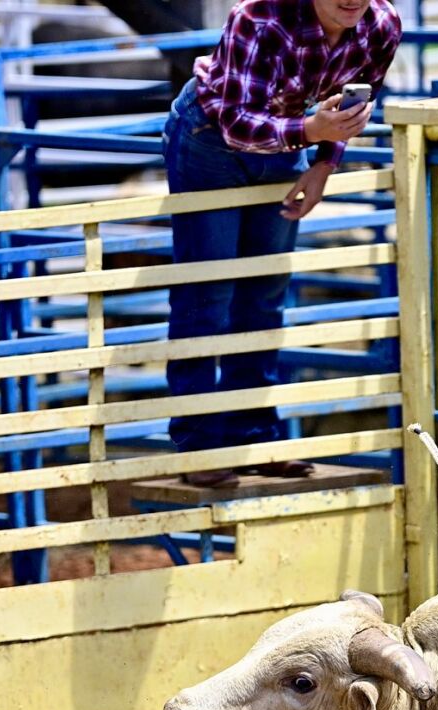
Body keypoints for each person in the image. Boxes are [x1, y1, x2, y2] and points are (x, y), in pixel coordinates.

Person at [164, 0, 401, 489]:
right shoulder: (259, 16)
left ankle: (254, 440)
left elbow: (357, 99)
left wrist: (325, 162)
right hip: (212, 140)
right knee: (208, 294)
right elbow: (235, 123)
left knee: (264, 295)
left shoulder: (382, 24)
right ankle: (199, 445)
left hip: (287, 138)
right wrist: (312, 131)